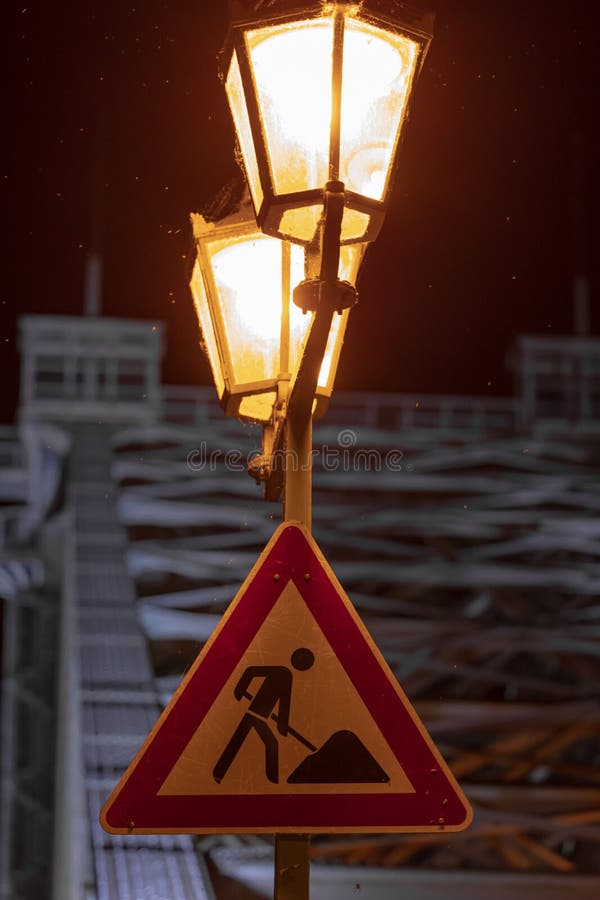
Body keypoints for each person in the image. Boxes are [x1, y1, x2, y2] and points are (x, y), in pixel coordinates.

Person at [213, 647, 314, 784]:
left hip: (259, 717)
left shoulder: (285, 674)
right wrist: (240, 688)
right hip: (255, 715)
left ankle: (218, 773)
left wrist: (281, 725)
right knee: (268, 743)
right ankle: (273, 781)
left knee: (240, 741)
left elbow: (284, 703)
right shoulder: (283, 673)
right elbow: (251, 671)